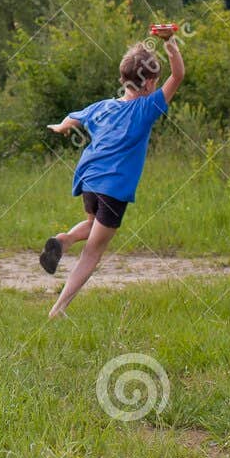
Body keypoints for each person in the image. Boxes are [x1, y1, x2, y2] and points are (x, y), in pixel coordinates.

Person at [40, 35, 184, 318]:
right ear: (151, 82)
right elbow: (178, 74)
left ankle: (65, 239)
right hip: (114, 187)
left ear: (123, 78)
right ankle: (58, 309)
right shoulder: (146, 108)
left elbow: (73, 118)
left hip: (89, 181)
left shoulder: (103, 107)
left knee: (93, 223)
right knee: (93, 252)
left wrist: (61, 126)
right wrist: (169, 43)